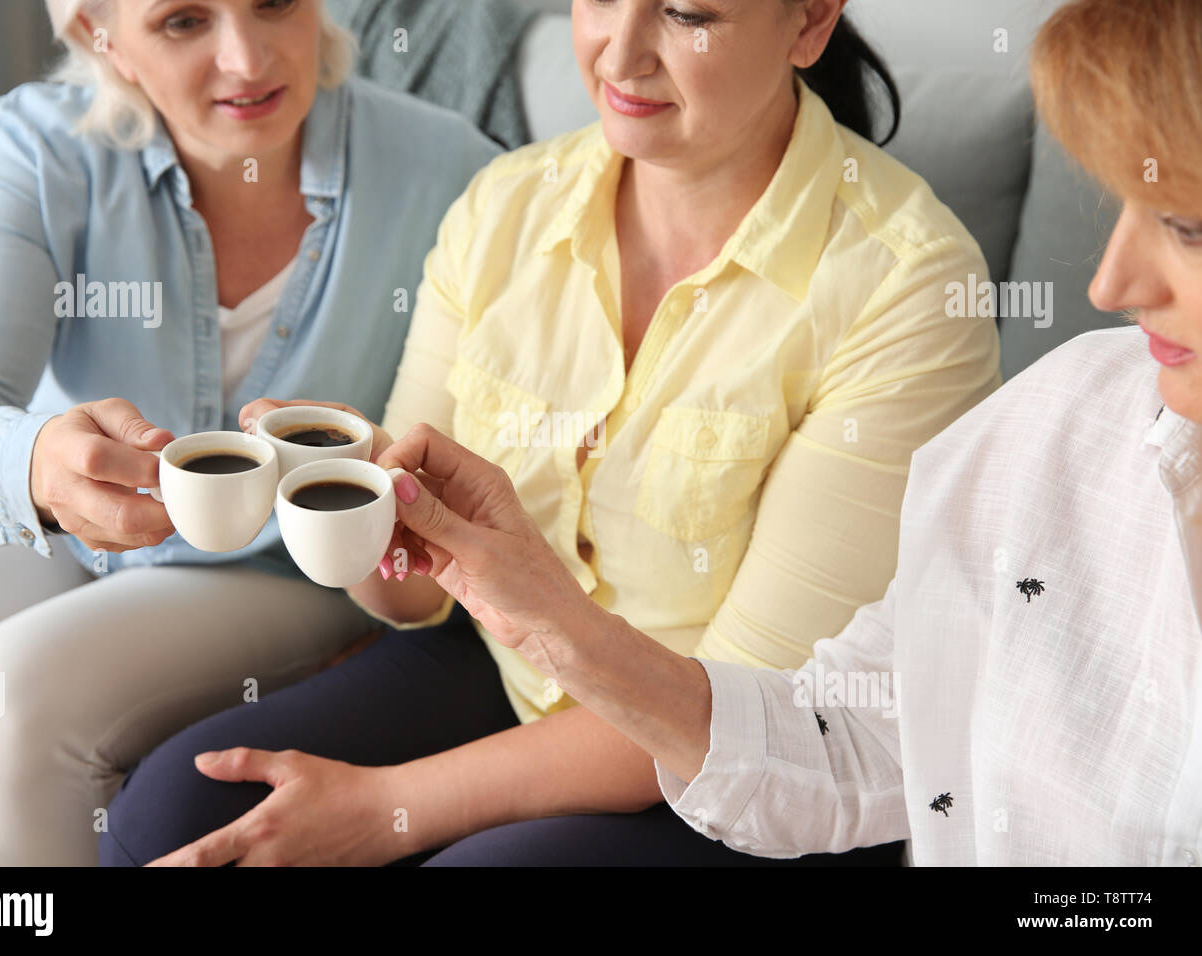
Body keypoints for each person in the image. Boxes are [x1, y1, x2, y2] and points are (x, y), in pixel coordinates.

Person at [144, 0, 1197, 866]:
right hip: (513, 670)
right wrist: (352, 496)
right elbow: (416, 595)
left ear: (808, 23)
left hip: (720, 743)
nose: (621, 48)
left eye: (688, 14)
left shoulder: (903, 281)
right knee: (167, 809)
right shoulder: (504, 205)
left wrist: (391, 808)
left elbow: (762, 711)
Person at [0, 0, 498, 866]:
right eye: (183, 21)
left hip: (283, 562)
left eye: (274, 3)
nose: (246, 59)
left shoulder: (450, 168)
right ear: (98, 37)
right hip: (68, 525)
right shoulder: (45, 147)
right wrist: (34, 464)